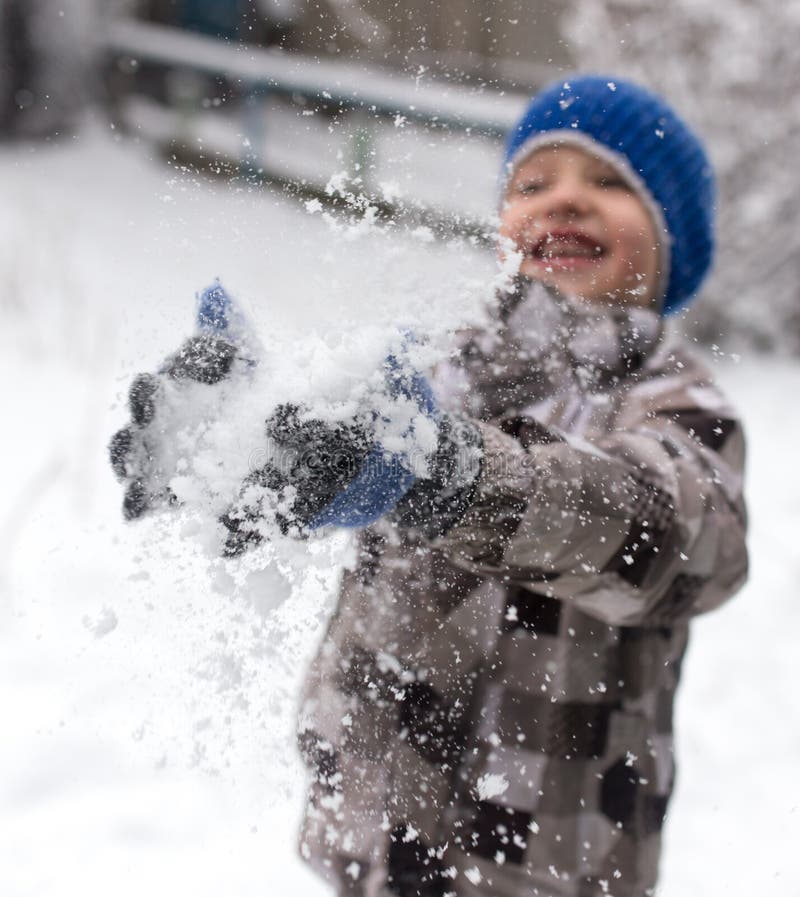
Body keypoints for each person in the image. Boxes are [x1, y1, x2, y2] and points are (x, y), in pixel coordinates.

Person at [109, 76, 748, 897]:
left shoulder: (675, 403)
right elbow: (344, 467)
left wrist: (452, 475)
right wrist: (241, 456)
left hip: (544, 855)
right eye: (534, 182)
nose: (566, 202)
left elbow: (672, 536)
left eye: (610, 182)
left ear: (673, 242)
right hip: (377, 834)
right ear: (501, 227)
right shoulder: (435, 369)